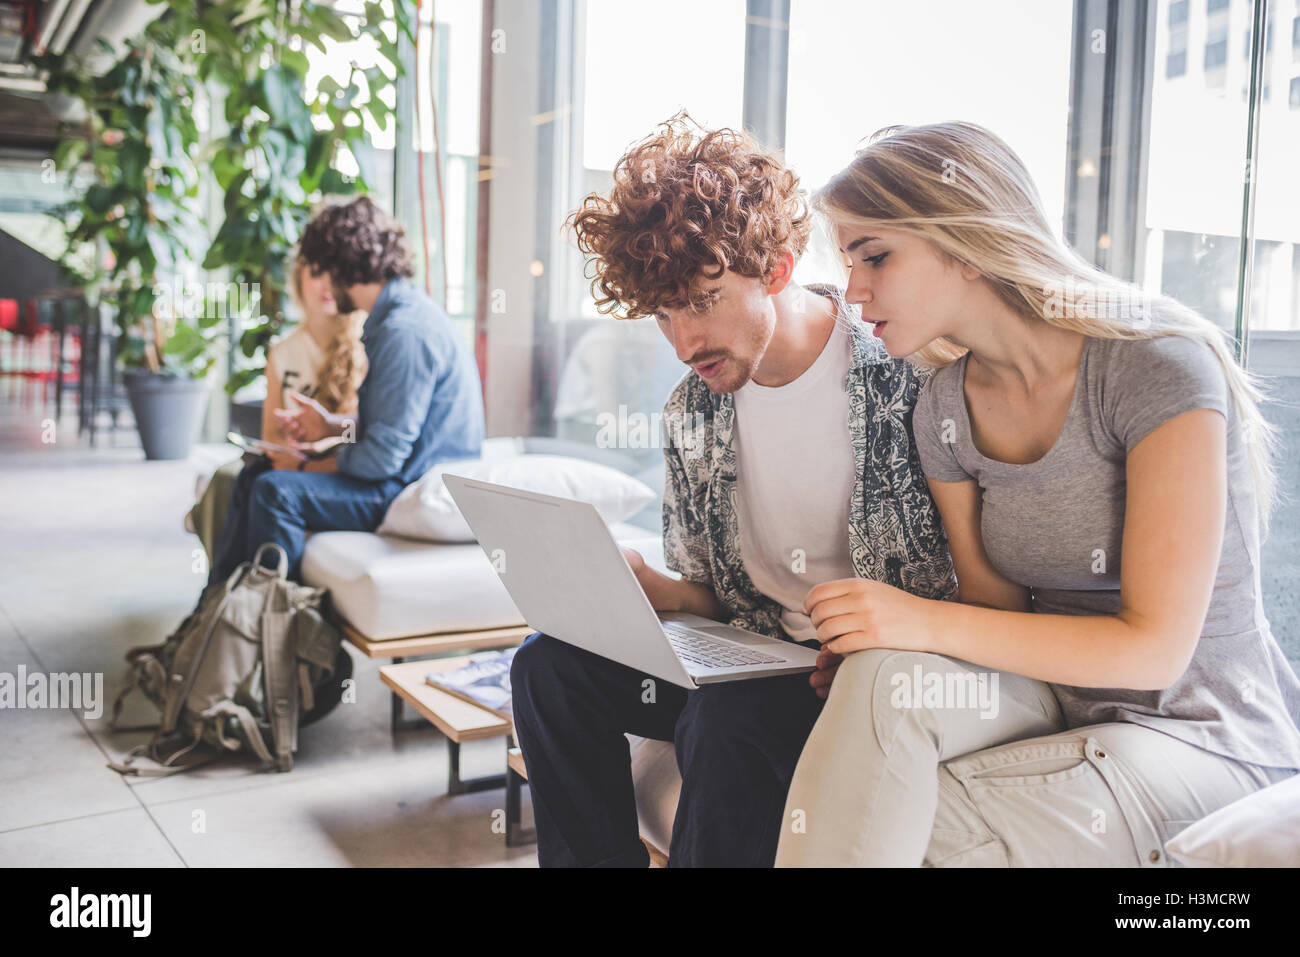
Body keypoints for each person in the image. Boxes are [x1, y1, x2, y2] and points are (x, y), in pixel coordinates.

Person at [775, 122, 1300, 867]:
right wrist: (890, 638)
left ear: (962, 245)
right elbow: (996, 616)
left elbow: (1153, 650)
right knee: (878, 681)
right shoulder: (945, 409)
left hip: (1201, 732)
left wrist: (919, 619)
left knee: (905, 824)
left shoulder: (1155, 367)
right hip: (1057, 698)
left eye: (875, 257)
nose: (853, 290)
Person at [508, 113, 957, 867]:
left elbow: (962, 586)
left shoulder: (901, 378)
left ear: (775, 268)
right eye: (662, 312)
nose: (683, 343)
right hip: (749, 658)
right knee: (546, 668)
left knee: (721, 719)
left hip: (849, 678)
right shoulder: (694, 410)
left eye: (702, 300)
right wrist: (647, 587)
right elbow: (716, 597)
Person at [209, 195, 485, 584]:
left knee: (275, 491)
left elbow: (382, 460)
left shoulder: (403, 332)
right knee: (254, 476)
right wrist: (331, 427)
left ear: (340, 266)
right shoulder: (400, 315)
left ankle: (275, 627)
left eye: (323, 271)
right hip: (407, 473)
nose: (321, 284)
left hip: (411, 487)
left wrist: (306, 465)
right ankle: (216, 619)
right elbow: (395, 424)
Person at [188, 254, 366, 563]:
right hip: (290, 458)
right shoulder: (283, 353)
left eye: (336, 274)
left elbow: (367, 433)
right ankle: (228, 594)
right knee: (228, 478)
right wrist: (288, 451)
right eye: (316, 273)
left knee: (251, 485)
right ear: (298, 281)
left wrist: (322, 438)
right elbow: (272, 433)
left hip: (340, 464)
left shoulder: (367, 346)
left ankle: (235, 593)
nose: (326, 285)